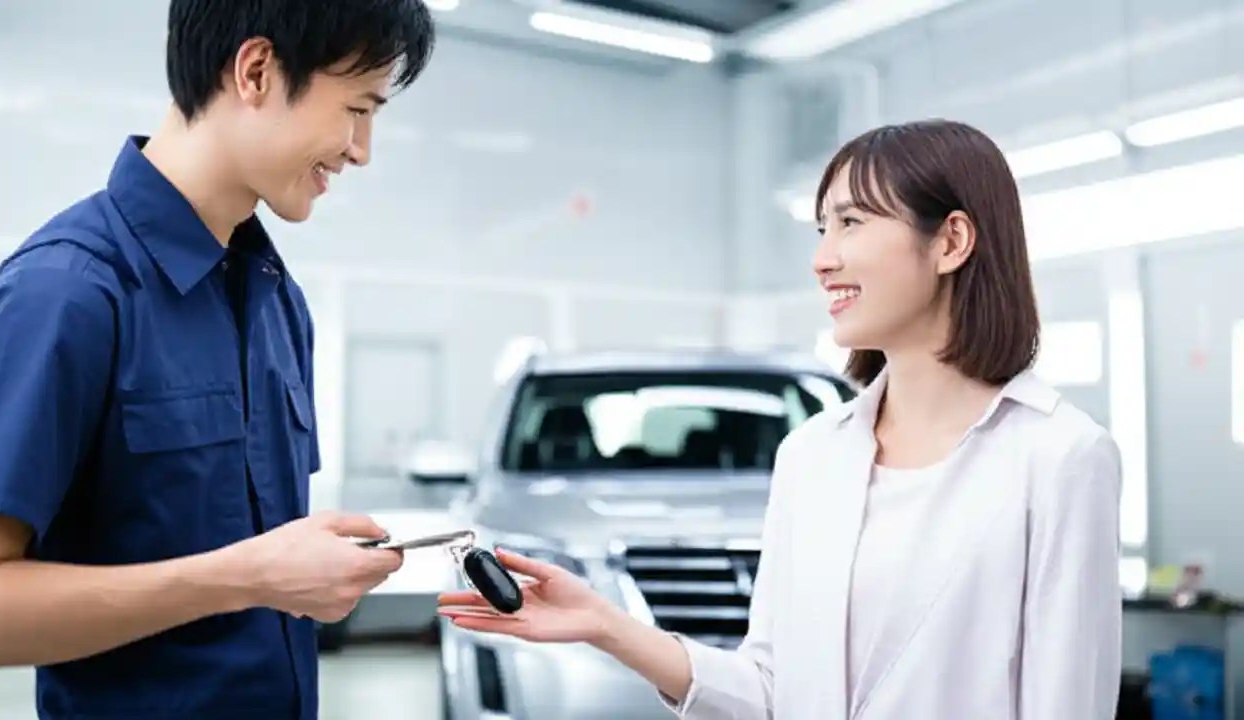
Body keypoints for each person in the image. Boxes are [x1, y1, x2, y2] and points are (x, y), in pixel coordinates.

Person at [438, 120, 1123, 719]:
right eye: (822, 228)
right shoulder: (812, 455)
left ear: (950, 241)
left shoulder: (1060, 457)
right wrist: (605, 625)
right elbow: (767, 691)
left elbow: (1066, 704)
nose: (823, 259)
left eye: (851, 223)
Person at [0, 1, 434, 718]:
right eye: (357, 108)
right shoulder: (64, 295)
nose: (361, 149)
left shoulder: (278, 302)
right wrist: (246, 577)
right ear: (255, 72)